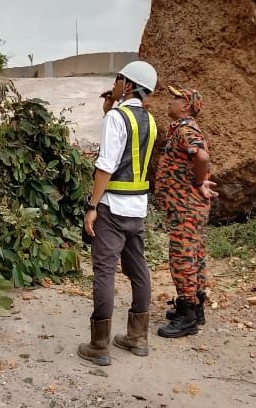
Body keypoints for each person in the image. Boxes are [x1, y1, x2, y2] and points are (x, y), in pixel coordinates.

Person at [77, 61, 158, 366]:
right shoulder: (149, 121)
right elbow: (127, 147)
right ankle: (137, 337)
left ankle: (99, 346)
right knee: (138, 271)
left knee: (104, 272)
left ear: (128, 84)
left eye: (118, 79)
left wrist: (92, 206)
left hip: (111, 207)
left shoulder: (116, 117)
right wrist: (112, 103)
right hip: (137, 208)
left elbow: (107, 164)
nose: (114, 82)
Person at [154, 85, 216, 338]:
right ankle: (196, 306)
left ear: (185, 106)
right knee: (195, 256)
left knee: (182, 258)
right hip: (190, 206)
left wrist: (198, 181)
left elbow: (201, 157)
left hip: (186, 206)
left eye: (176, 98)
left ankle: (187, 316)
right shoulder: (182, 129)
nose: (171, 101)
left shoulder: (186, 130)